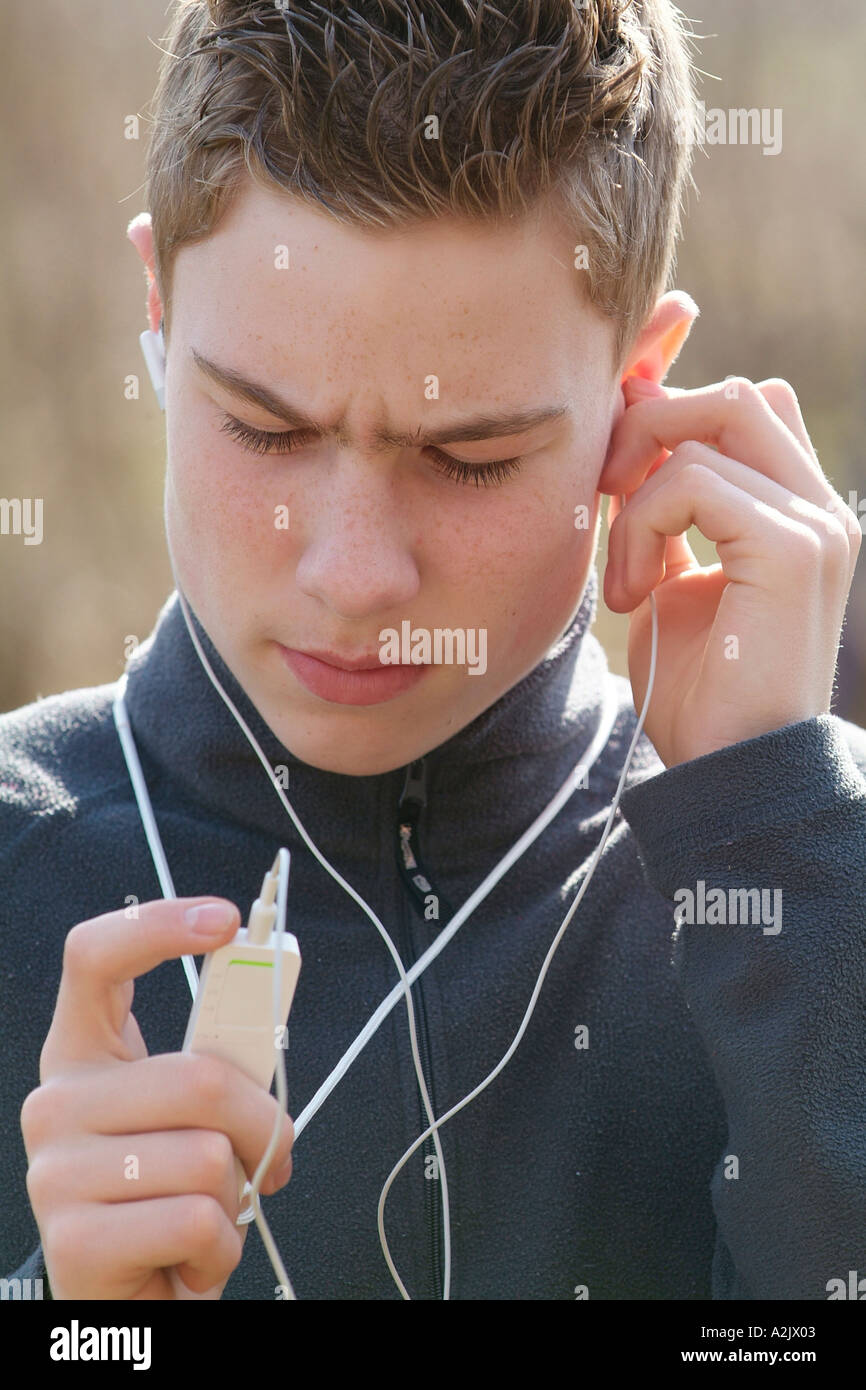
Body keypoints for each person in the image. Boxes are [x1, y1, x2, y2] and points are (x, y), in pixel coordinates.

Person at [1, 0, 864, 1302]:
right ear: (158, 316)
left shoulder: (807, 883)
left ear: (641, 385)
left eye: (470, 455)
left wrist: (778, 839)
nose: (353, 575)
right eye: (264, 428)